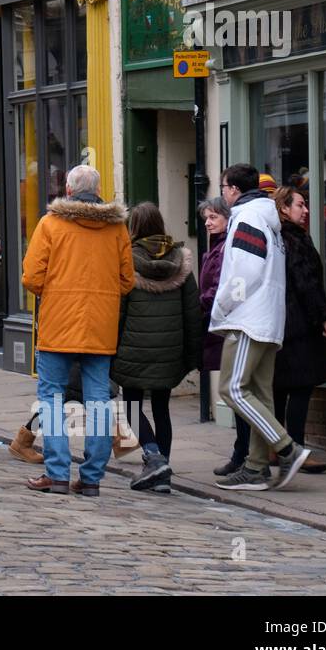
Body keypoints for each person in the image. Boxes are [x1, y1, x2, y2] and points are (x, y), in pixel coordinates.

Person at [21, 165, 133, 496]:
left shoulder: (51, 224)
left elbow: (31, 277)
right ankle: (91, 478)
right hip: (99, 328)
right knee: (99, 400)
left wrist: (57, 291)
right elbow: (127, 279)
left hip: (58, 325)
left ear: (68, 190)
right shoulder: (116, 228)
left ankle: (56, 474)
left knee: (52, 398)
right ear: (98, 191)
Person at [219, 187, 326, 477]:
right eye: (299, 204)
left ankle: (263, 459)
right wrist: (322, 316)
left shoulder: (273, 233)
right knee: (290, 388)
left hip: (276, 323)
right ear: (283, 208)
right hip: (291, 325)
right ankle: (290, 449)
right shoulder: (289, 237)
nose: (305, 210)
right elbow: (305, 281)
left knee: (270, 391)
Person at [212, 163, 311, 491]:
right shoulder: (267, 219)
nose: (223, 193)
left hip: (248, 319)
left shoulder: (248, 216)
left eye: (224, 187)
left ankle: (287, 448)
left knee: (232, 388)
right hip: (267, 319)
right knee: (260, 395)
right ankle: (255, 467)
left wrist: (223, 305)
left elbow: (248, 269)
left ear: (234, 190)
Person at [110, 202, 203, 494]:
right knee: (162, 408)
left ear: (133, 226)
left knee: (133, 406)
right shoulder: (181, 260)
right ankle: (163, 471)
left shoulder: (126, 260)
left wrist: (110, 349)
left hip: (133, 350)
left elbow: (119, 313)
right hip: (169, 351)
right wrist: (193, 354)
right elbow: (193, 313)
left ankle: (154, 458)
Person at [198, 196, 230, 419]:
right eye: (206, 218)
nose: (208, 223)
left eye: (213, 217)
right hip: (215, 321)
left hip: (224, 323)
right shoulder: (213, 248)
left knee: (232, 389)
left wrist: (201, 304)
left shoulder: (224, 247)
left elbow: (218, 286)